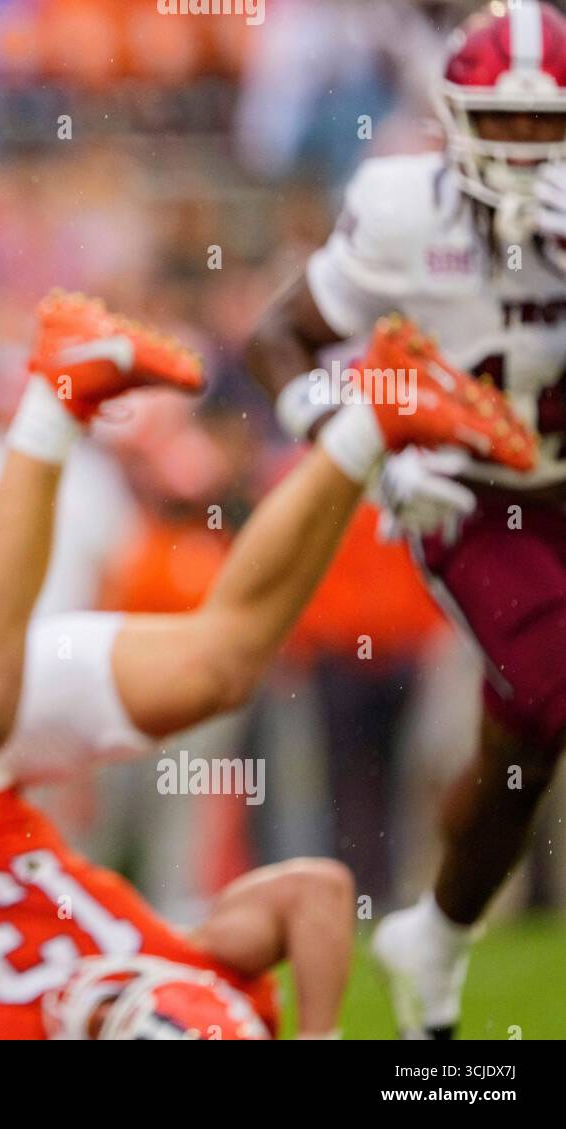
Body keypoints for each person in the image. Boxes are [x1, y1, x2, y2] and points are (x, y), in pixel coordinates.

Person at [0, 292, 534, 1038]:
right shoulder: (195, 972)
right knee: (220, 670)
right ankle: (375, 419)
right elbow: (318, 889)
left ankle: (52, 395)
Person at [246, 0, 566, 1038]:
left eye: (542, 124)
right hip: (466, 498)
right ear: (452, 116)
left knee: (523, 746)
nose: (521, 149)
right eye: (501, 122)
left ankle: (437, 931)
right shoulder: (402, 211)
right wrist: (363, 455)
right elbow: (279, 337)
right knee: (555, 688)